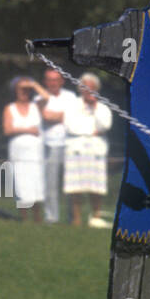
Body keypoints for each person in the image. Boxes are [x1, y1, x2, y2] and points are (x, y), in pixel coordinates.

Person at [63, 74, 112, 227]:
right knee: (75, 186)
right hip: (76, 147)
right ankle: (76, 219)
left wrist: (94, 107)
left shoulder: (103, 108)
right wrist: (90, 131)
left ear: (96, 89)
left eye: (91, 88)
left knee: (96, 185)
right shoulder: (72, 105)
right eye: (84, 87)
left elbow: (105, 126)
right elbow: (70, 126)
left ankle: (95, 217)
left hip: (96, 149)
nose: (87, 91)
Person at [36, 67, 78, 224]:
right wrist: (61, 115)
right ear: (45, 82)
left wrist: (57, 116)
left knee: (72, 184)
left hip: (70, 144)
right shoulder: (39, 98)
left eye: (56, 79)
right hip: (50, 144)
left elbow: (73, 117)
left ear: (62, 81)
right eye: (49, 79)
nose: (53, 83)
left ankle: (74, 218)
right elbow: (45, 118)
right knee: (51, 184)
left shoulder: (71, 97)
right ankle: (51, 218)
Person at [3, 76, 45, 222]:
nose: (24, 92)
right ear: (15, 91)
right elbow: (8, 130)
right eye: (21, 89)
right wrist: (28, 130)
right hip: (18, 152)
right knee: (21, 182)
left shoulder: (36, 106)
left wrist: (33, 84)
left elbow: (46, 97)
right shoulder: (10, 108)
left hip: (35, 152)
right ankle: (24, 218)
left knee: (36, 181)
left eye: (27, 90)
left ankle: (38, 218)